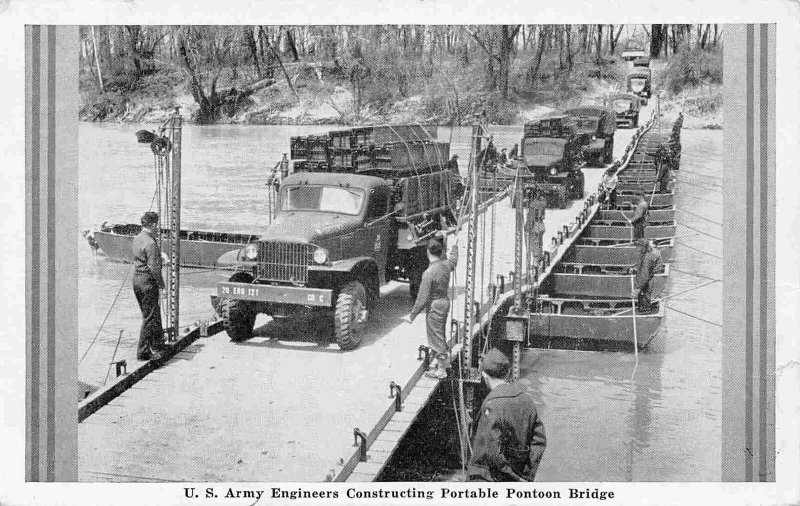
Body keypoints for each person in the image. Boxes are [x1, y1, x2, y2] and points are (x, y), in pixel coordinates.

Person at [467, 348, 547, 482]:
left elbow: (492, 451)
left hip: (489, 477)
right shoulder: (526, 399)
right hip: (519, 473)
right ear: (508, 373)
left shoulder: (492, 405)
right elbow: (539, 441)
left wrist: (512, 476)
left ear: (484, 376)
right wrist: (526, 475)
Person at [407, 232, 459, 379]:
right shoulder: (446, 265)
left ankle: (441, 370)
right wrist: (455, 246)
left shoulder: (429, 273)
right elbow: (453, 260)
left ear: (428, 252)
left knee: (435, 335)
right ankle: (443, 363)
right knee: (440, 332)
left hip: (435, 305)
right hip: (444, 302)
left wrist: (412, 315)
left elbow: (422, 298)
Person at [132, 211, 167, 361]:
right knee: (150, 317)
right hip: (148, 282)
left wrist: (158, 257)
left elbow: (142, 258)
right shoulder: (151, 243)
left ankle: (157, 344)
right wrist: (162, 286)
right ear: (152, 224)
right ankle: (143, 352)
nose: (157, 227)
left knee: (151, 313)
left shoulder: (137, 238)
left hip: (137, 280)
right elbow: (154, 268)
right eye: (156, 224)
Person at [630, 238, 664, 314]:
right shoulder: (644, 255)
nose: (636, 247)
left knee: (644, 305)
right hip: (645, 283)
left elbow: (644, 275)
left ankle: (646, 314)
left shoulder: (646, 258)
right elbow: (642, 268)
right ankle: (646, 311)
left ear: (643, 247)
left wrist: (638, 288)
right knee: (644, 302)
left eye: (638, 246)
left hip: (646, 284)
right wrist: (635, 270)